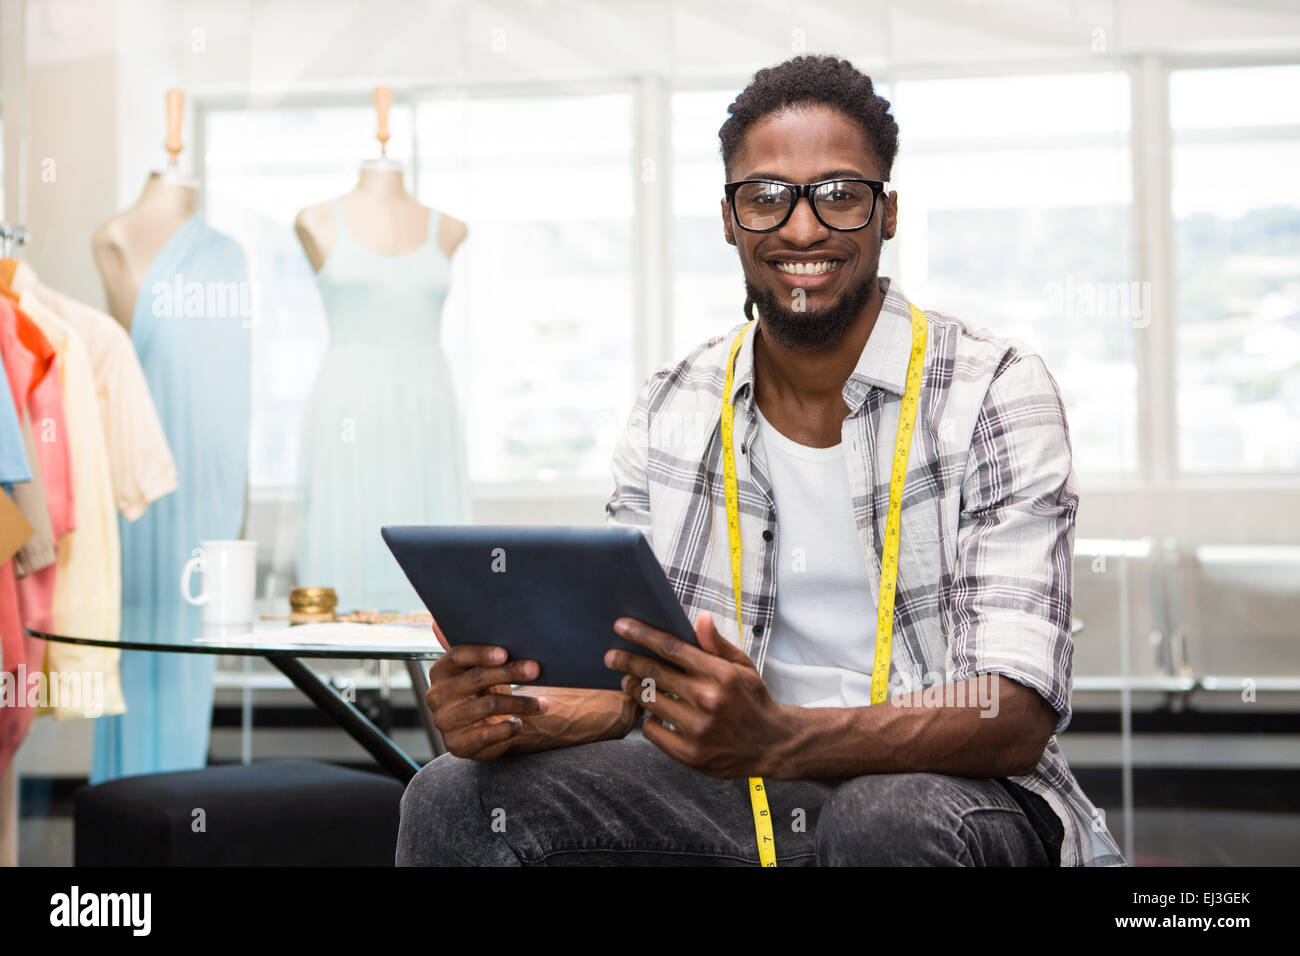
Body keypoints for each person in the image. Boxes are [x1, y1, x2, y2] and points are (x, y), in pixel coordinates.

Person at [396, 54, 1125, 867]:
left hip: (951, 790)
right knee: (455, 795)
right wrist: (516, 714)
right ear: (729, 218)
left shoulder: (993, 391)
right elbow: (633, 679)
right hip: (735, 785)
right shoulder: (674, 404)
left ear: (887, 214)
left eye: (841, 195)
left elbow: (1011, 713)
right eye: (767, 197)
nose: (803, 228)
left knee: (882, 819)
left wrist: (779, 737)